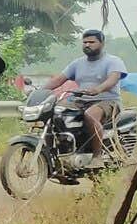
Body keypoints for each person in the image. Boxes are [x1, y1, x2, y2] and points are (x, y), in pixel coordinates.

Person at [46, 29, 126, 161]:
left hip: (108, 101)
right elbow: (58, 79)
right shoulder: (77, 63)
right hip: (82, 100)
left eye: (92, 42)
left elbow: (113, 79)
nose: (87, 45)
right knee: (53, 111)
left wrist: (98, 89)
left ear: (102, 43)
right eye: (85, 42)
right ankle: (55, 152)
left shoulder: (113, 61)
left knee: (90, 115)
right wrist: (39, 91)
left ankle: (97, 157)